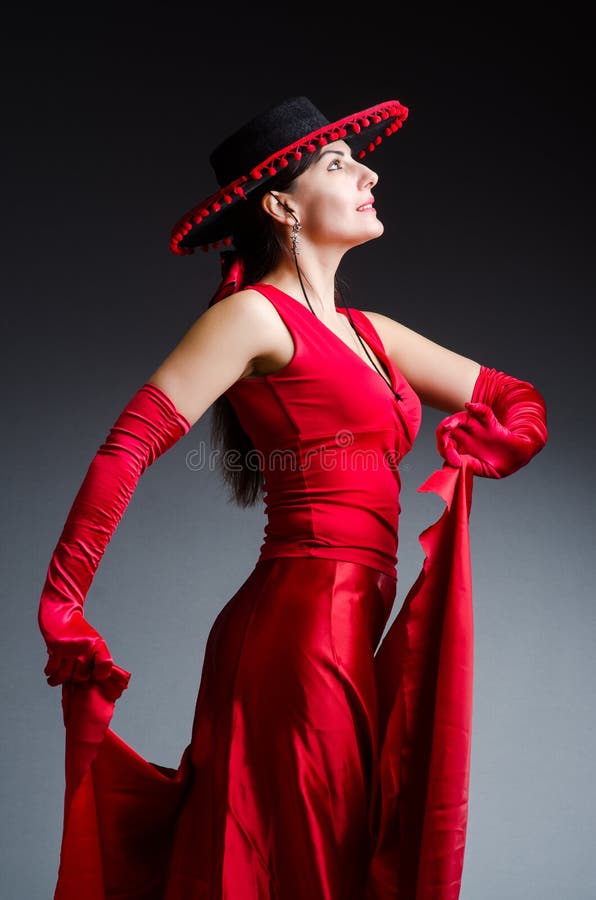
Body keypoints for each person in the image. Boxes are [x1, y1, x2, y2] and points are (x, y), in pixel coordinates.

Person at [38, 96, 548, 899]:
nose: (368, 171)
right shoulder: (250, 318)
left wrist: (507, 437)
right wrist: (63, 602)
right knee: (302, 864)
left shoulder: (373, 333)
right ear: (280, 205)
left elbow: (514, 395)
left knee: (334, 859)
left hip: (348, 634)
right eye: (339, 164)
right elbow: (127, 447)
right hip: (296, 640)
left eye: (357, 159)